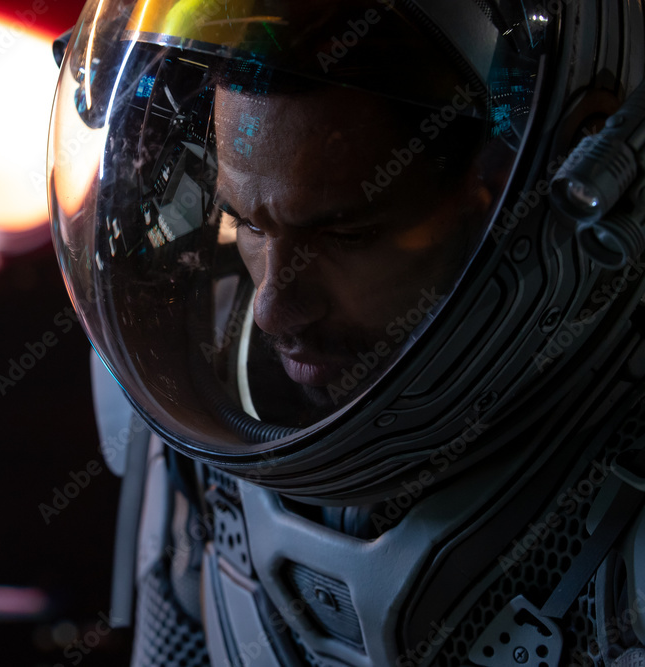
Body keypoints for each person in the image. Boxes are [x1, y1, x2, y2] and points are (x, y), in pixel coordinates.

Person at [48, 1, 645, 665]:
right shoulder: (199, 408)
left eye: (347, 234)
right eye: (246, 223)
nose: (275, 308)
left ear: (517, 195)